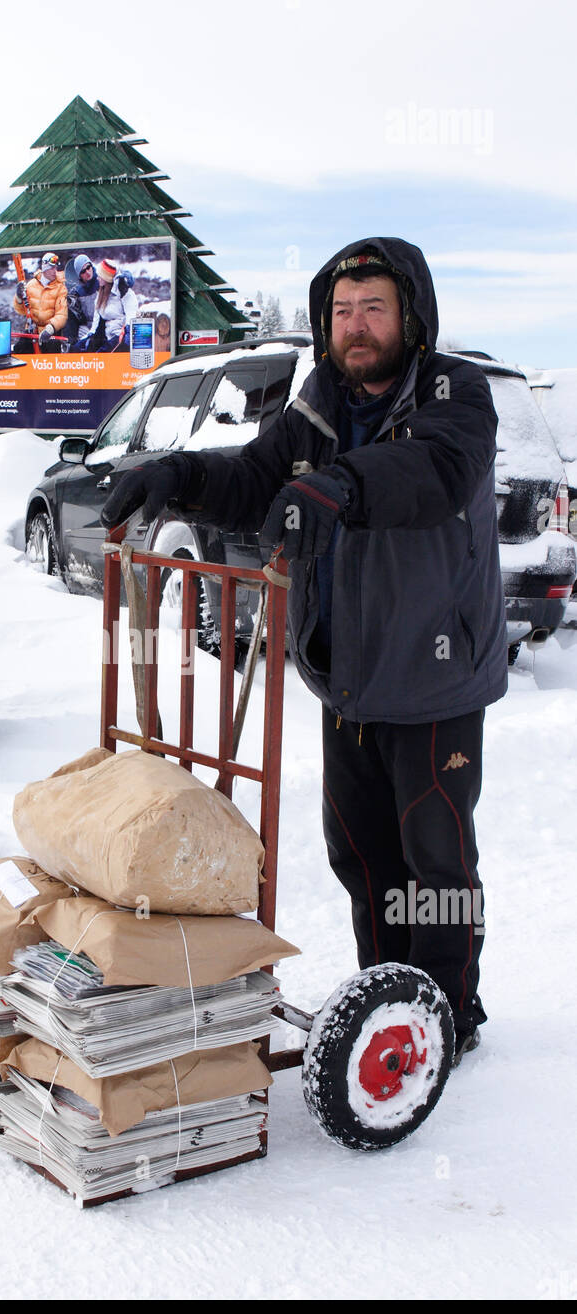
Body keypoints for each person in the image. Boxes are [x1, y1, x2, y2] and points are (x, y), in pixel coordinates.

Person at [101, 236, 507, 1067]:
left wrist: (340, 485)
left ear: (411, 317)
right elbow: (253, 477)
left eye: (374, 310)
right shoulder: (319, 404)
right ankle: (387, 994)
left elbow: (433, 471)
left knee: (435, 864)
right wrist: (174, 475)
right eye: (342, 312)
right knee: (358, 852)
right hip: (348, 674)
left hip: (434, 678)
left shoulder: (454, 394)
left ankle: (447, 1012)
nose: (356, 327)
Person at [13, 250, 68, 351]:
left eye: (56, 268)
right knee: (19, 351)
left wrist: (50, 329)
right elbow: (21, 310)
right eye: (52, 268)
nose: (54, 271)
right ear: (45, 268)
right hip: (32, 329)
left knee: (50, 356)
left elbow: (62, 315)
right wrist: (18, 297)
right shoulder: (31, 285)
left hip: (50, 332)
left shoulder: (61, 288)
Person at [84, 259, 138, 351]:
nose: (97, 278)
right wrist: (91, 335)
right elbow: (97, 319)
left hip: (119, 336)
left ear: (106, 278)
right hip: (106, 336)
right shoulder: (101, 293)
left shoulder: (122, 291)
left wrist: (128, 332)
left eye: (100, 276)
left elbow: (132, 314)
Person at [65, 254, 100, 348]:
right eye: (83, 271)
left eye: (88, 267)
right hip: (87, 327)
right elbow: (79, 318)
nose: (88, 272)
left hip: (102, 325)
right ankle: (69, 346)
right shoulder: (77, 293)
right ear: (79, 276)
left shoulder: (102, 282)